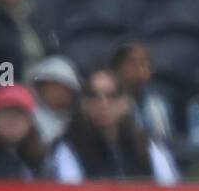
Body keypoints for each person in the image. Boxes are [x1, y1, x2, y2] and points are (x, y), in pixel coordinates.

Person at [49, 66, 180, 184]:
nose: (103, 103)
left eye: (112, 95)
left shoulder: (148, 145)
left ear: (125, 102)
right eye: (94, 96)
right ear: (84, 104)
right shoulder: (69, 147)